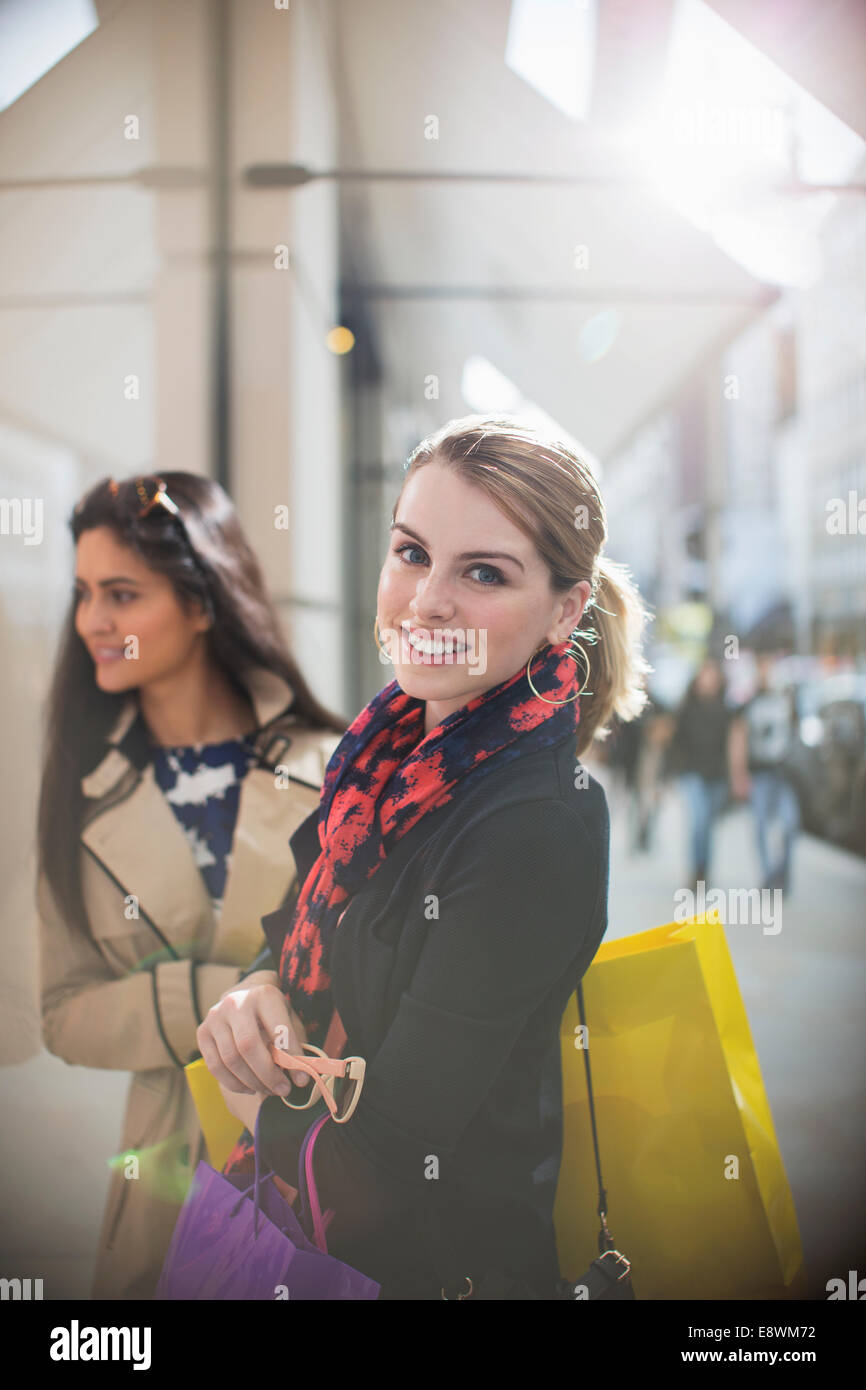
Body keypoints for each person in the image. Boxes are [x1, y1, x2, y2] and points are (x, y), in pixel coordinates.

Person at [197, 416, 652, 1300]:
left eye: (483, 572)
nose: (426, 601)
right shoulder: (381, 762)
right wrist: (259, 986)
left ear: (567, 609)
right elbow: (300, 927)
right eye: (412, 552)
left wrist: (245, 1087)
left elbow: (372, 1185)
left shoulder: (536, 826)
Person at [35, 472, 345, 1300]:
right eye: (84, 593)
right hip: (160, 1181)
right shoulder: (81, 791)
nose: (93, 621)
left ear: (202, 603)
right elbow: (62, 1011)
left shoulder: (338, 765)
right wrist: (221, 1000)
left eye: (122, 593)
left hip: (313, 1168)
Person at [668, 656, 743, 892]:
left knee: (708, 826)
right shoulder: (686, 707)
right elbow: (674, 741)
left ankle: (704, 871)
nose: (708, 680)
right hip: (691, 772)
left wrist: (735, 776)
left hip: (716, 775)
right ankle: (696, 871)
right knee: (698, 821)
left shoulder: (726, 710)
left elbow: (733, 744)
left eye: (712, 676)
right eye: (704, 675)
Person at [734, 653, 800, 892]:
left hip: (784, 774)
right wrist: (739, 774)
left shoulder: (787, 699)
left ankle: (783, 874)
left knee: (789, 825)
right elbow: (738, 737)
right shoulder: (748, 702)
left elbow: (796, 732)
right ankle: (768, 877)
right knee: (760, 826)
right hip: (759, 773)